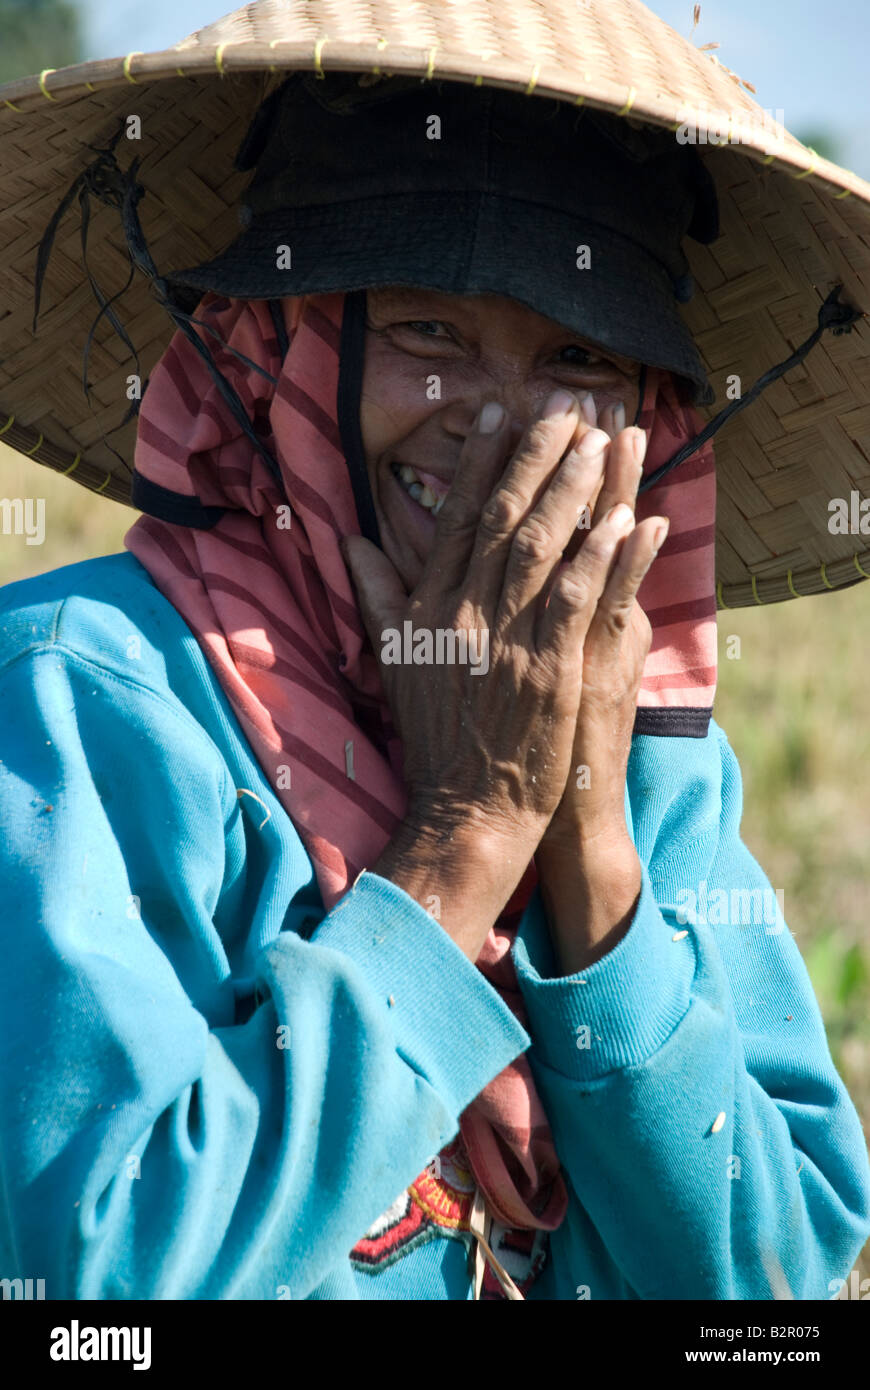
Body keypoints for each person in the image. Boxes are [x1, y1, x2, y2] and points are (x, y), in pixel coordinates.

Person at [0, 1, 869, 1302]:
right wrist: (470, 831)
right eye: (426, 334)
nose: (502, 427)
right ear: (278, 347)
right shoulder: (82, 700)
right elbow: (104, 1290)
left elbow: (772, 1276)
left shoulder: (652, 767)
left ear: (646, 420)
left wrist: (579, 837)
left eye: (575, 358)